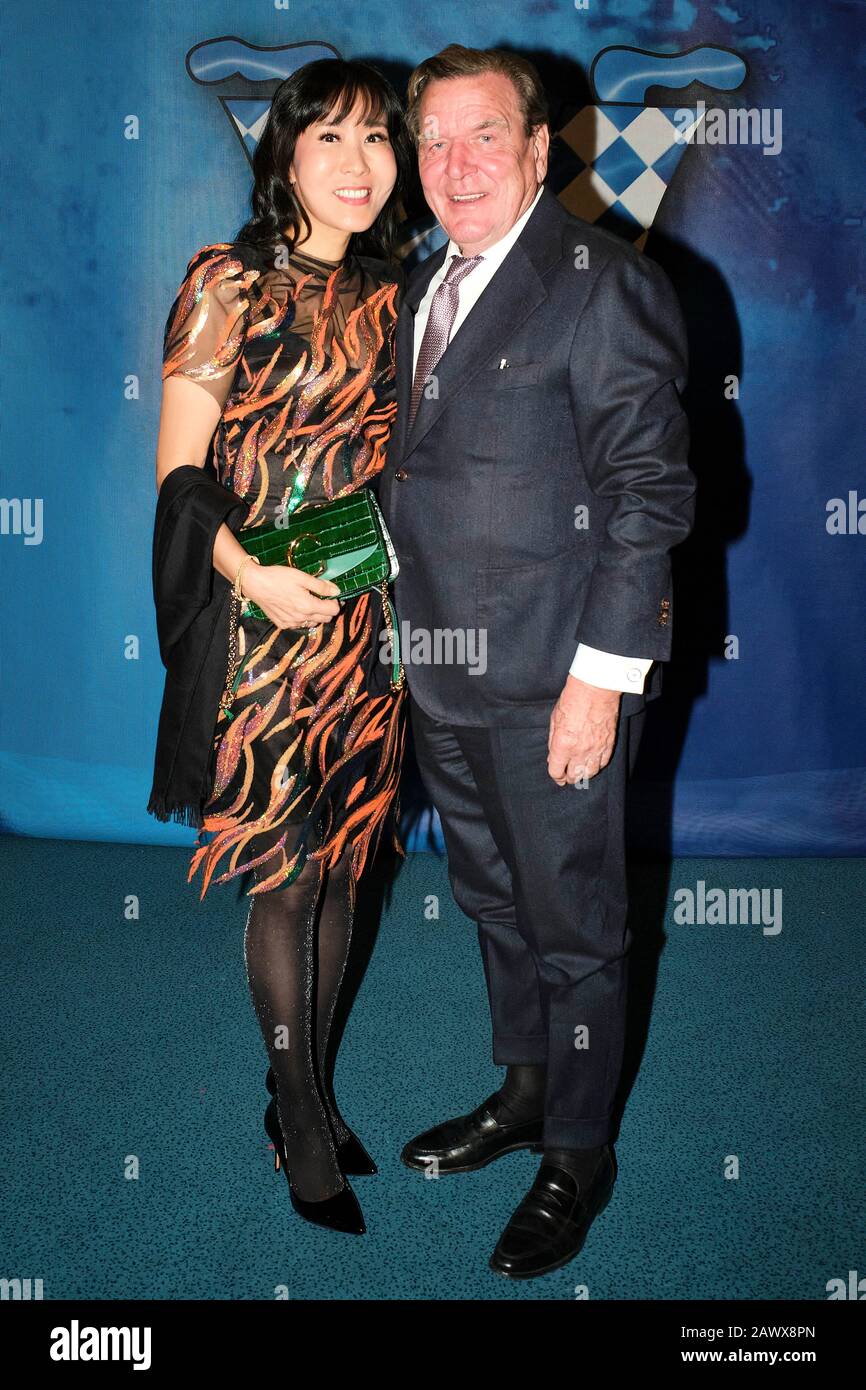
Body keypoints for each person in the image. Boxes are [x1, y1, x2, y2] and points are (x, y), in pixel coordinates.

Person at [378, 45, 696, 1279]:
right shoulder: (424, 282)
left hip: (555, 684)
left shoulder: (597, 283)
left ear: (536, 148)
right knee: (494, 902)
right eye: (434, 142)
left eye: (482, 137)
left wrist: (595, 682)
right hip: (442, 672)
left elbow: (645, 495)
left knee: (575, 924)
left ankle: (576, 1150)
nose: (455, 166)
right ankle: (521, 1087)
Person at [148, 58, 413, 1236]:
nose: (359, 165)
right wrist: (250, 572)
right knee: (284, 873)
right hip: (261, 629)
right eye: (332, 141)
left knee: (348, 858)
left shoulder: (399, 294)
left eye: (377, 141)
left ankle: (298, 1083)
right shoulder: (227, 283)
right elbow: (180, 475)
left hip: (364, 630)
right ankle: (299, 1113)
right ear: (285, 158)